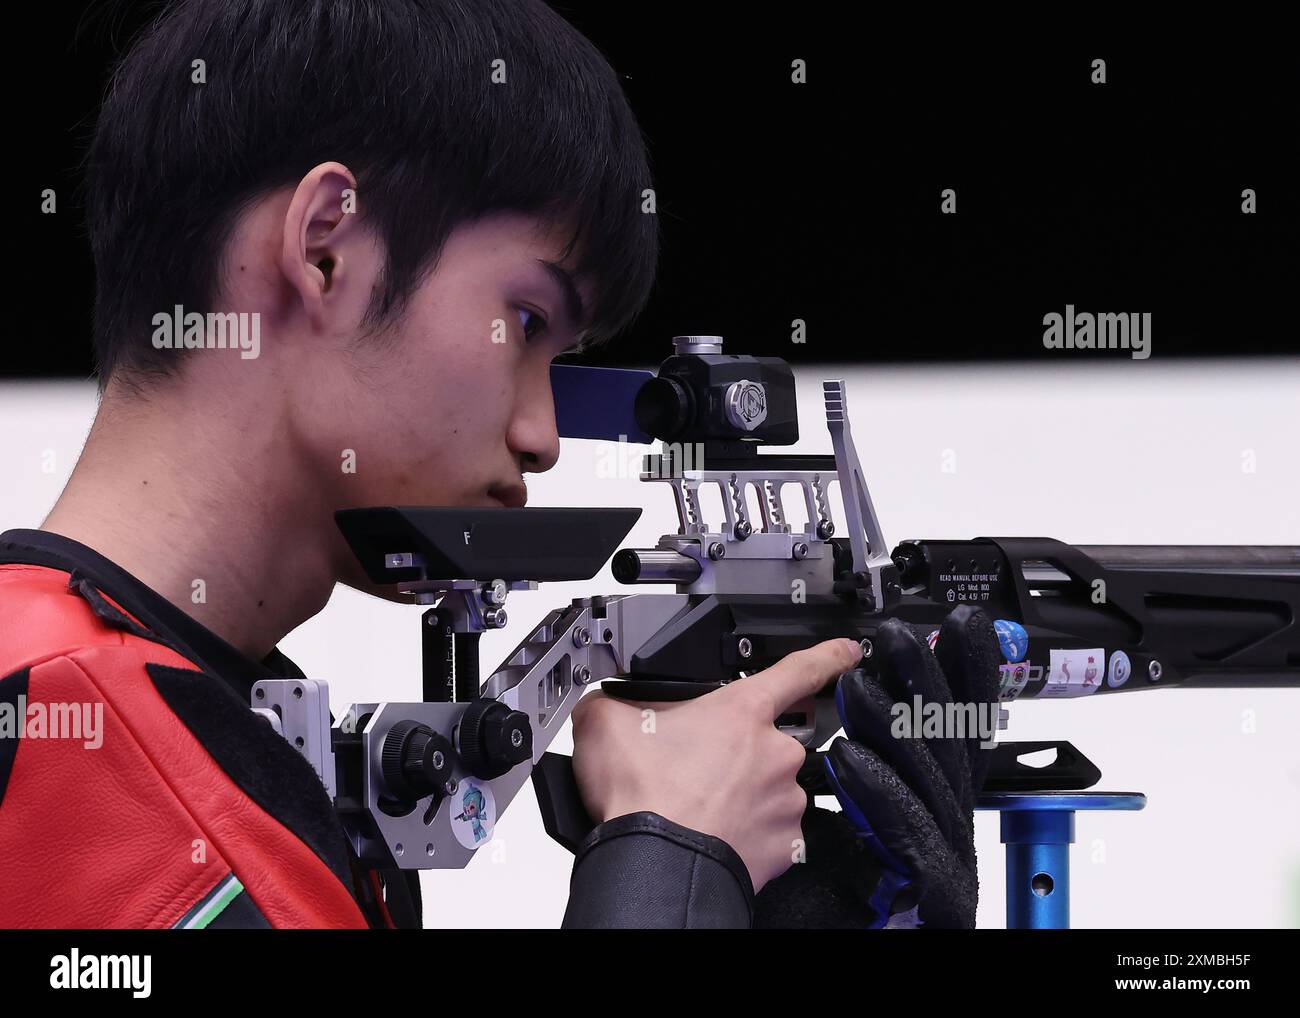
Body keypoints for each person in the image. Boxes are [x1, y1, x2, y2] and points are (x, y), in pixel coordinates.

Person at [0, 0, 997, 929]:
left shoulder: (155, 709)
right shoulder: (84, 738)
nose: (542, 435)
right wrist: (667, 862)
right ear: (325, 250)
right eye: (523, 322)